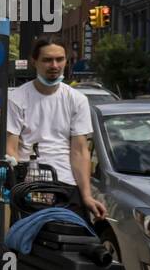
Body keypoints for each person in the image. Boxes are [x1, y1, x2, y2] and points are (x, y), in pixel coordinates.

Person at [7, 38, 107, 221]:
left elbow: (80, 151)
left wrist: (86, 196)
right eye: (47, 60)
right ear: (34, 61)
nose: (54, 65)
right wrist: (14, 185)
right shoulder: (17, 98)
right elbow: (10, 148)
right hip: (31, 185)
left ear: (66, 61)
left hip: (66, 185)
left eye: (60, 59)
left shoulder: (77, 99)